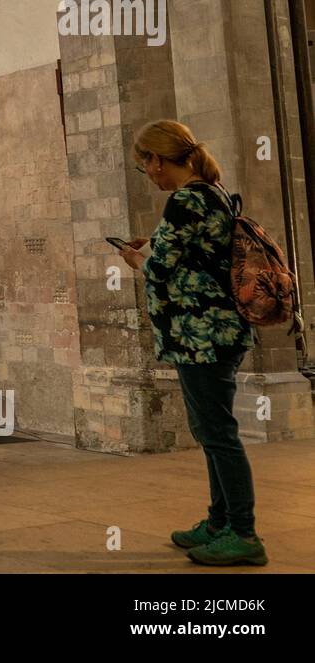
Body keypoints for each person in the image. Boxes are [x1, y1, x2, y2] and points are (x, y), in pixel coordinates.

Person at [118, 120, 265, 566]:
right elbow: (192, 253)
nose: (149, 176)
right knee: (210, 430)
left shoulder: (186, 199)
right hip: (212, 332)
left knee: (219, 434)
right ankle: (219, 522)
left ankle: (243, 533)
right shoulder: (212, 192)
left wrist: (138, 259)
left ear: (156, 159)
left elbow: (160, 270)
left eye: (145, 166)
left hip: (202, 335)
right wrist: (154, 245)